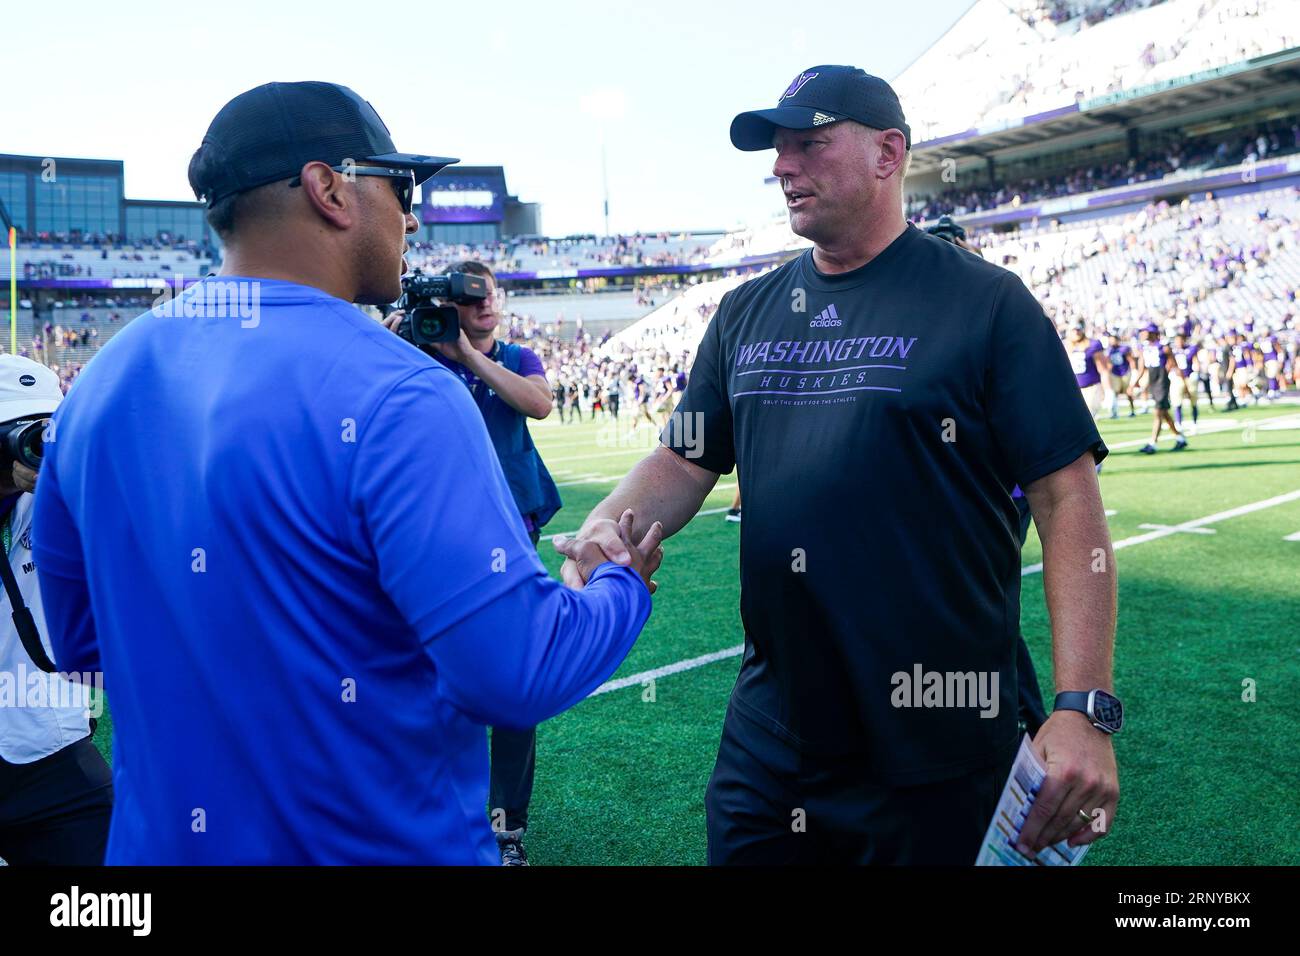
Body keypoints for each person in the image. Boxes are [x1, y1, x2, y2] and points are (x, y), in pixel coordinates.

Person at [33, 81, 662, 865]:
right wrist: (618, 584)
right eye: (400, 189)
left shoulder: (95, 386)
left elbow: (82, 650)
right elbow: (514, 674)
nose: (412, 216)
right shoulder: (400, 392)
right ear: (329, 190)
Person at [556, 65, 1121, 865]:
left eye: (808, 145)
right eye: (778, 151)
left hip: (942, 731)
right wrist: (607, 524)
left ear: (889, 153)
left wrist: (1084, 707)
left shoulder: (988, 304)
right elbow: (684, 456)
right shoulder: (744, 310)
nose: (783, 167)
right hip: (774, 734)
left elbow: (1068, 500)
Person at [384, 259, 559, 866]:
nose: (485, 305)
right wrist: (398, 333)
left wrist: (467, 356)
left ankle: (507, 828)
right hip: (432, 539)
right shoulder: (416, 352)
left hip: (511, 534)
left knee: (512, 680)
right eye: (470, 296)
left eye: (491, 295)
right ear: (449, 303)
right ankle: (436, 813)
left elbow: (538, 404)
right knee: (424, 677)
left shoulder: (516, 357)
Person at [0, 356, 112, 865]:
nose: (31, 448)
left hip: (48, 747)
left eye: (44, 429)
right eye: (14, 431)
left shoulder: (66, 499)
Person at [1134, 323, 1188, 455]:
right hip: (1153, 381)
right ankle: (1180, 438)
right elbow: (1142, 368)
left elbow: (1174, 364)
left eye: (1146, 331)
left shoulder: (1163, 348)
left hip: (1162, 381)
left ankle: (1152, 443)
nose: (1144, 333)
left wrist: (1183, 383)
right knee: (1163, 412)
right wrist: (1135, 382)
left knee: (1158, 412)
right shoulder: (1144, 348)